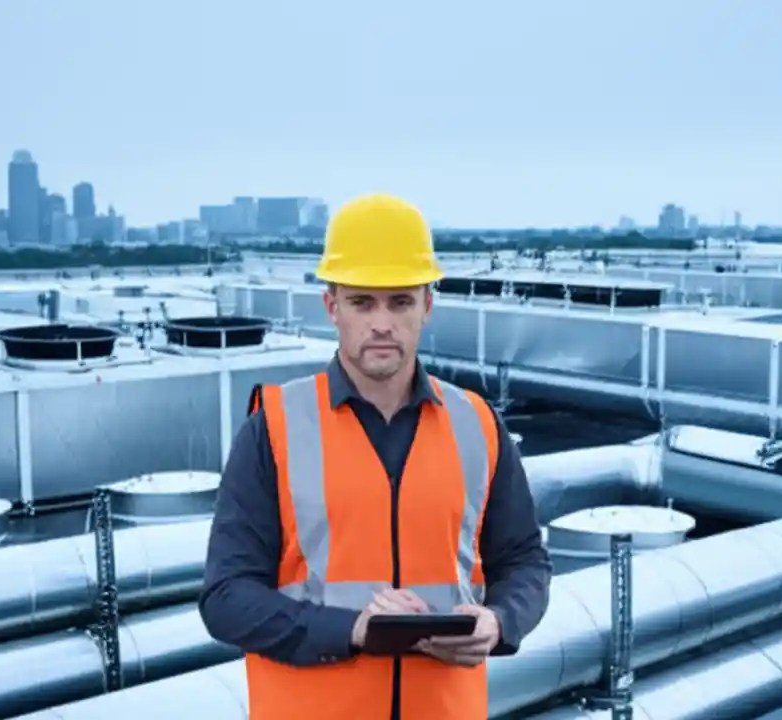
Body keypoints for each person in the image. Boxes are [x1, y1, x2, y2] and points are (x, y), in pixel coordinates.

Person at [199, 193, 552, 720]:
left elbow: (524, 560)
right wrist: (353, 629)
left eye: (400, 302)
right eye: (362, 302)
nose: (381, 323)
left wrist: (501, 621)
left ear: (427, 306)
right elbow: (226, 598)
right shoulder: (273, 428)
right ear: (331, 306)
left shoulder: (477, 425)